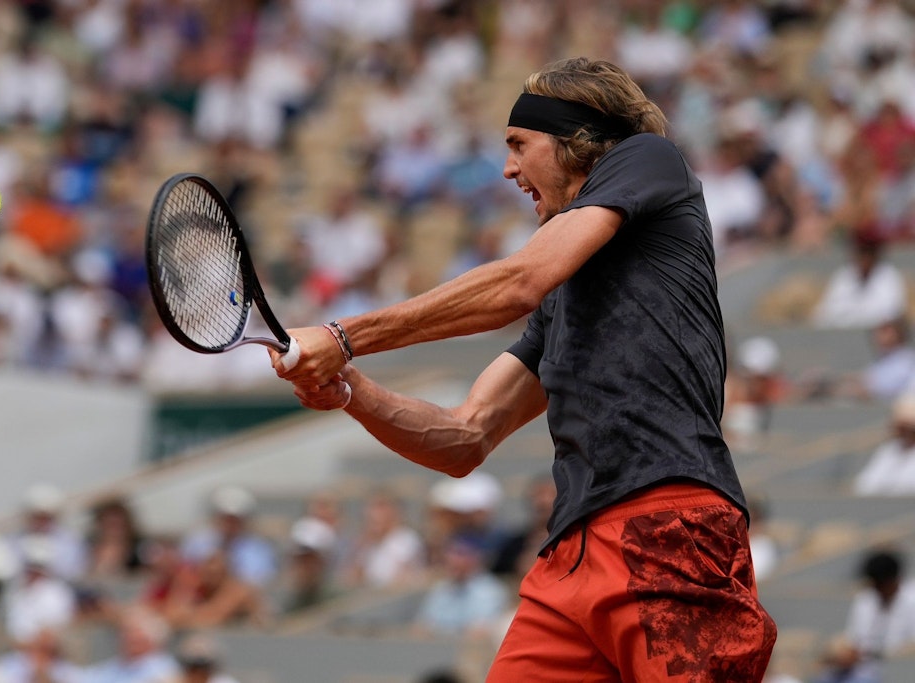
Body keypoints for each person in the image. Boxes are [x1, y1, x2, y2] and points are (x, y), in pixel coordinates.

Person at [272, 57, 777, 680]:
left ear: (581, 143)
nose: (508, 169)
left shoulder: (648, 157)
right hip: (572, 559)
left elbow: (520, 281)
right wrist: (349, 389)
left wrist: (343, 337)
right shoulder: (559, 299)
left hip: (671, 529)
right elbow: (465, 436)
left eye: (519, 145)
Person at [812, 549, 915, 683]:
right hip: (861, 671)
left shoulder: (912, 600)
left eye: (880, 584)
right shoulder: (865, 600)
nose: (877, 589)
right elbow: (854, 641)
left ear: (893, 580)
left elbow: (907, 649)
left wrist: (868, 655)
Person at [853, 394, 915, 496]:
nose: (905, 432)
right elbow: (865, 485)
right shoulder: (889, 450)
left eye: (909, 428)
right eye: (902, 427)